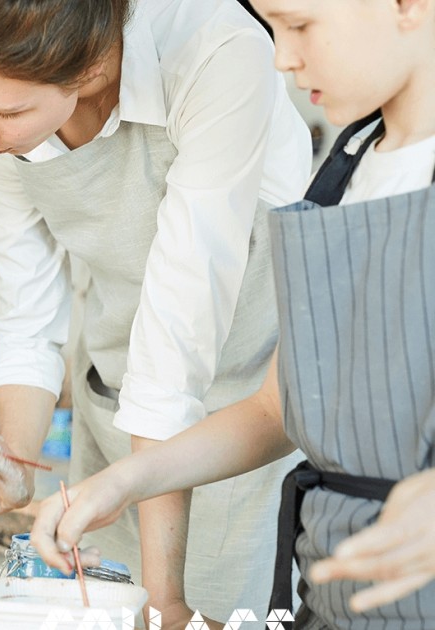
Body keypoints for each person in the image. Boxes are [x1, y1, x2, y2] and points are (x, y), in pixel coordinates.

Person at [30, 0, 435, 626]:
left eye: (300, 25)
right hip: (331, 596)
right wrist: (126, 481)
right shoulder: (349, 173)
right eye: (273, 26)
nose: (282, 57)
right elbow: (275, 408)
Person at [0, 0, 313, 623]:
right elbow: (25, 315)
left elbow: (176, 335)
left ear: (94, 69)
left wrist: (165, 602)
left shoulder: (216, 54)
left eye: (5, 111)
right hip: (114, 415)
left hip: (250, 420)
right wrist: (14, 462)